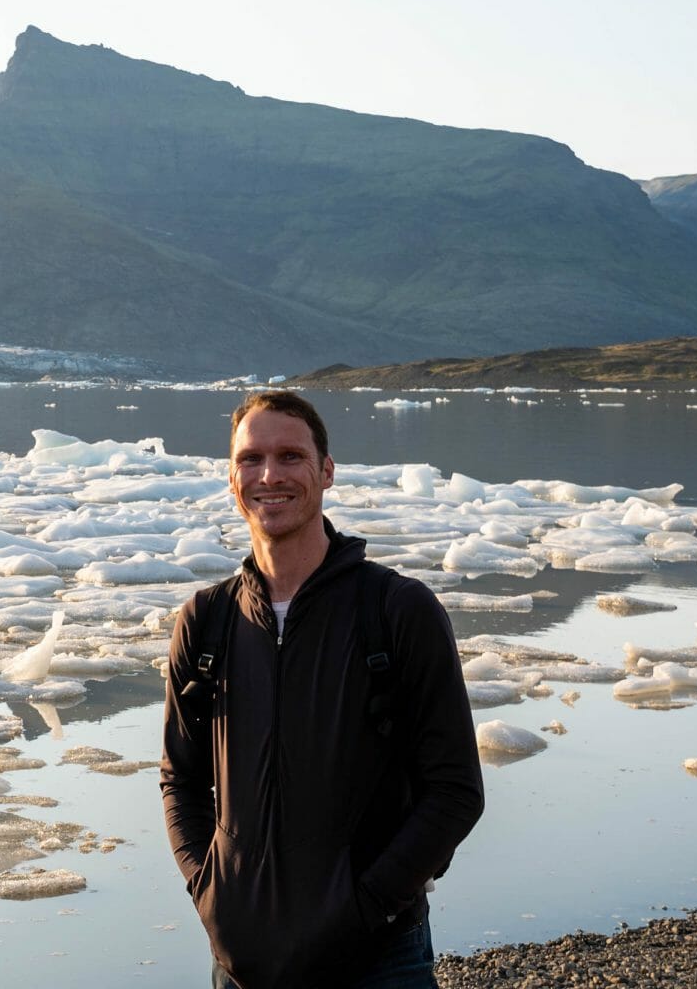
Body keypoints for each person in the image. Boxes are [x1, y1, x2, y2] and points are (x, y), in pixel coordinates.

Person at [160, 390, 484, 988]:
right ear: (232, 478)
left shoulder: (395, 610)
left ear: (326, 471)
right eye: (250, 459)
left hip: (377, 957)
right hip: (242, 961)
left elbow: (456, 791)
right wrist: (209, 892)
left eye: (290, 456)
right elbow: (180, 777)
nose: (269, 476)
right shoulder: (207, 621)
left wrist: (367, 907)